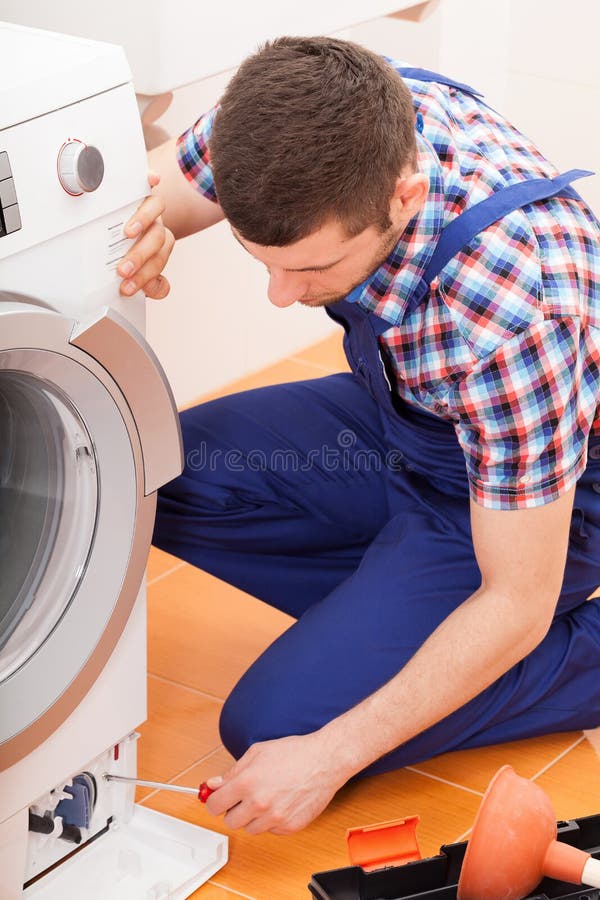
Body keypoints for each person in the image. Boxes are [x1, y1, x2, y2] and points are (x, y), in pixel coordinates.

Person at [117, 36, 600, 836]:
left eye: (311, 270)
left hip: (547, 495)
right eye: (261, 260)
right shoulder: (311, 114)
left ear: (404, 197)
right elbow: (158, 190)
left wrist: (332, 753)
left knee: (278, 729)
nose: (280, 296)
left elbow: (516, 599)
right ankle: (405, 611)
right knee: (142, 472)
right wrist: (139, 233)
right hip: (407, 423)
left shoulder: (513, 313)